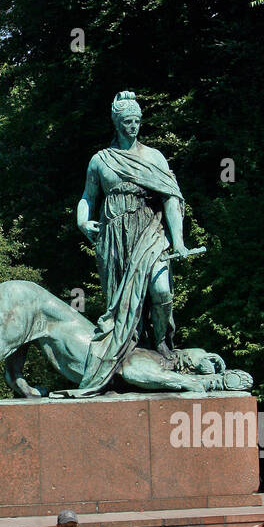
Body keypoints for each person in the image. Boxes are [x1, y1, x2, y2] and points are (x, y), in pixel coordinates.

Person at [75, 90, 193, 394]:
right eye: (127, 121)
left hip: (149, 231)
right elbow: (88, 197)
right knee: (121, 304)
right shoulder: (100, 160)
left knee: (160, 288)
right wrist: (81, 220)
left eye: (137, 121)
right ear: (116, 123)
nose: (133, 127)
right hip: (115, 239)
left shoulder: (154, 157)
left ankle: (163, 342)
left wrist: (178, 241)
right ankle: (129, 351)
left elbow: (171, 199)